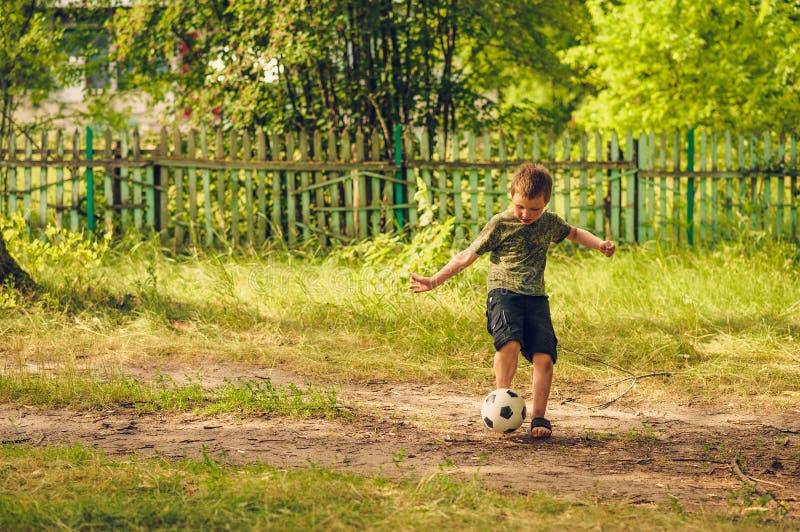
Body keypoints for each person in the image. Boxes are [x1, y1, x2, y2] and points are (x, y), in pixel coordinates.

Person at [409, 163, 615, 439]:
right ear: (512, 197)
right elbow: (468, 255)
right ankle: (501, 400)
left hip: (536, 298)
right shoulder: (500, 223)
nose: (526, 214)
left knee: (544, 357)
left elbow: (575, 233)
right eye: (520, 207)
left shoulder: (550, 222)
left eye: (534, 209)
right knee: (510, 342)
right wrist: (434, 280)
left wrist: (600, 244)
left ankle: (539, 418)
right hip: (503, 293)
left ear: (546, 203)